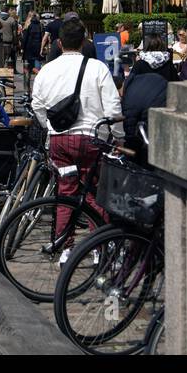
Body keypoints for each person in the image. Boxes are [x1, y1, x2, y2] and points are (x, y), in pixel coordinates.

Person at [29, 18, 120, 256]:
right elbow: (113, 110)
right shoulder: (98, 68)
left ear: (59, 43)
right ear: (84, 42)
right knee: (94, 192)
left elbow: (37, 105)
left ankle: (64, 246)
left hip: (60, 142)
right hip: (91, 139)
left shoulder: (47, 70)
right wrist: (118, 138)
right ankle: (100, 246)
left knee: (65, 192)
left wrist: (49, 126)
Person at [21, 12, 44, 93]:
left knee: (27, 70)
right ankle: (39, 88)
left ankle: (27, 88)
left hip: (28, 50)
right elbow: (43, 37)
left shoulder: (27, 25)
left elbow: (24, 39)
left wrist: (22, 48)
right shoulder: (40, 25)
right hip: (37, 50)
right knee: (38, 69)